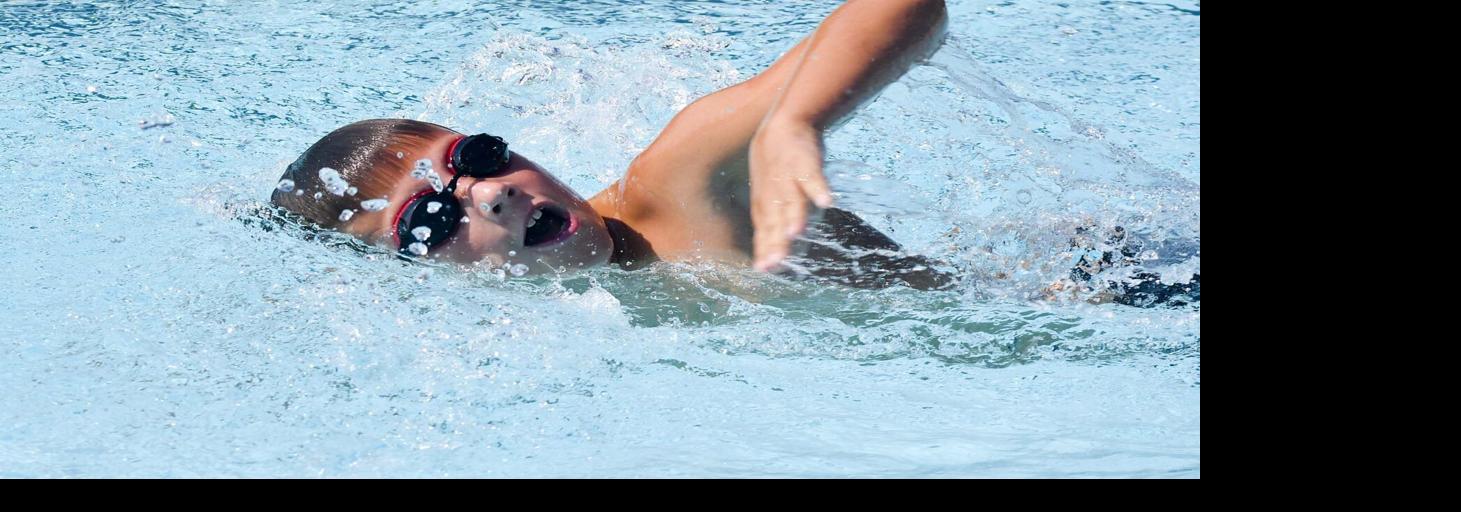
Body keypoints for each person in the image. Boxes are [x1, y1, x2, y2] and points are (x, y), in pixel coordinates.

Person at [269, 0, 953, 289]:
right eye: (430, 220)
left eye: (472, 157)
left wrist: (792, 121)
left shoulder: (676, 194)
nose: (494, 192)